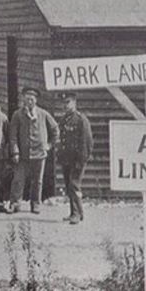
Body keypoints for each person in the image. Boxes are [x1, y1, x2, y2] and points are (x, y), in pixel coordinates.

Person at [9, 87, 59, 214]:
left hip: (39, 153)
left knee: (37, 181)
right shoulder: (18, 115)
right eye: (27, 99)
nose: (29, 101)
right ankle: (15, 203)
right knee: (18, 180)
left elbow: (55, 129)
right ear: (24, 100)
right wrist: (15, 151)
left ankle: (35, 204)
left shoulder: (43, 114)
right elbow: (13, 136)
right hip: (23, 155)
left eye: (32, 99)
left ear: (36, 100)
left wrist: (49, 145)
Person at [57, 92, 94, 224]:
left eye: (68, 102)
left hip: (77, 160)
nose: (65, 105)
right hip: (67, 160)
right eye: (64, 103)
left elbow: (87, 142)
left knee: (74, 185)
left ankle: (77, 214)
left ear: (74, 103)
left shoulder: (81, 120)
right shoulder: (64, 119)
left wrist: (82, 160)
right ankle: (74, 212)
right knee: (69, 186)